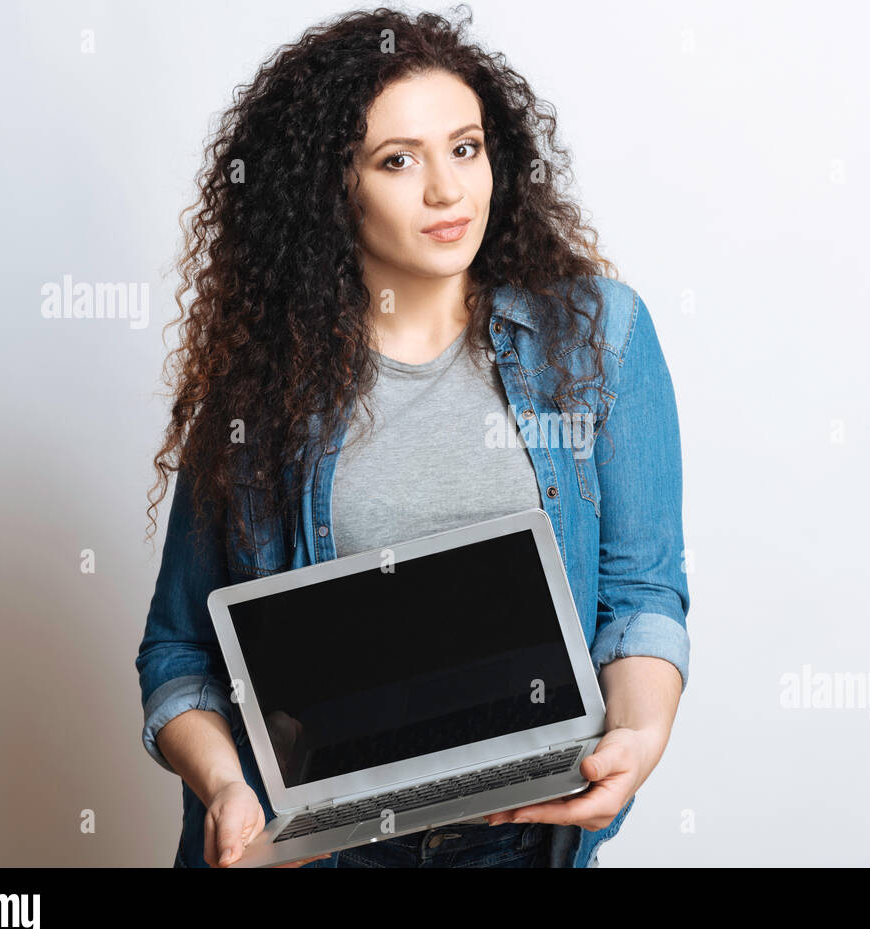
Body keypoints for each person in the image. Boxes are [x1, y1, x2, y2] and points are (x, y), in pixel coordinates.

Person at [135, 5, 690, 868]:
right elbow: (178, 651)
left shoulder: (598, 337)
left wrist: (641, 734)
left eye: (465, 148)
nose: (448, 190)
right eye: (399, 160)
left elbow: (641, 594)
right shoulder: (261, 391)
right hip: (329, 852)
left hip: (520, 838)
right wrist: (229, 789)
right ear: (331, 188)